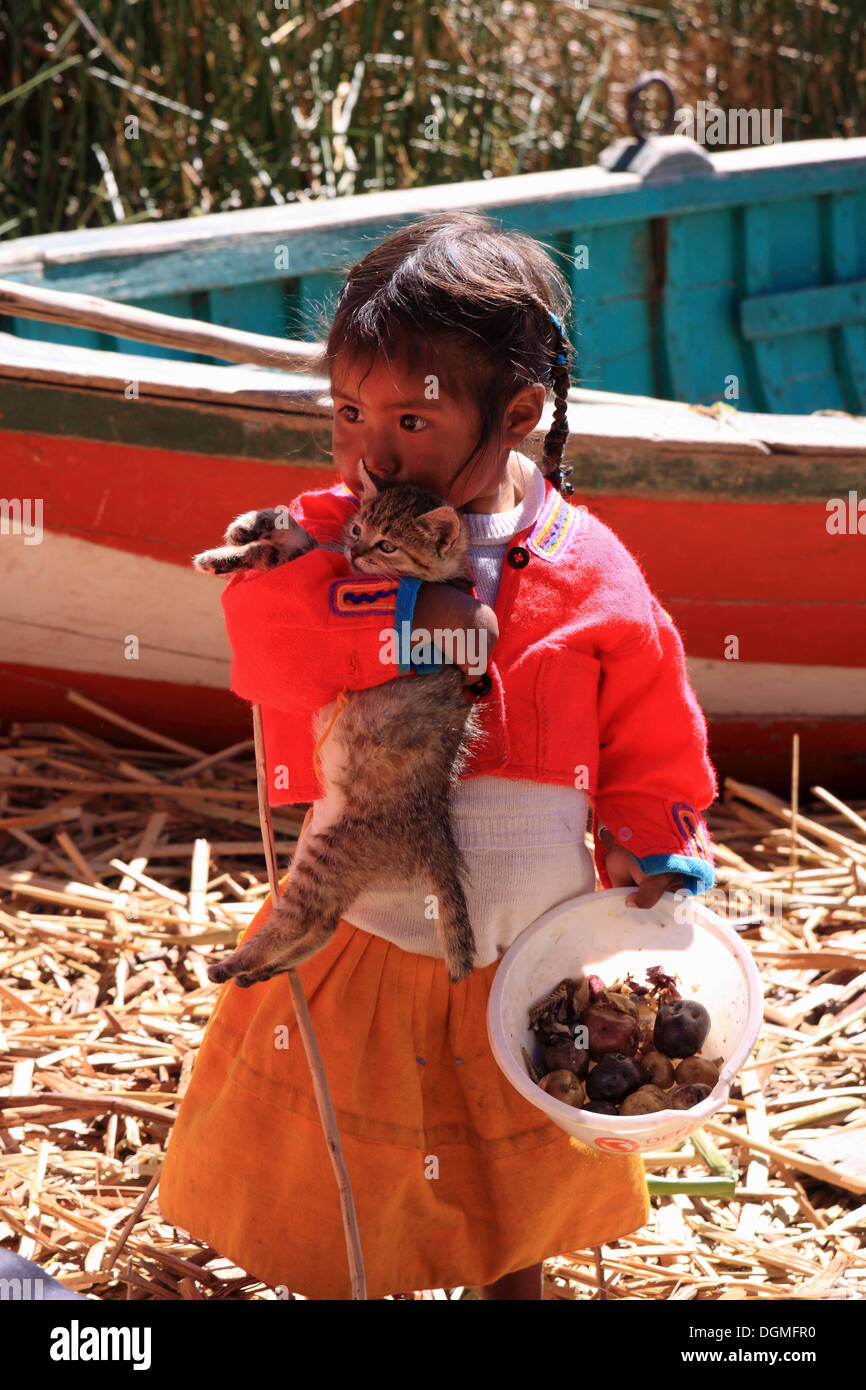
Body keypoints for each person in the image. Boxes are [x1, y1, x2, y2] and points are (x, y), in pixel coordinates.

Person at [158, 211, 717, 1301]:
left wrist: (654, 841)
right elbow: (264, 644)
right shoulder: (324, 533)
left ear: (515, 415)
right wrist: (410, 618)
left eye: (411, 418)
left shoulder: (586, 566)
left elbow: (647, 715)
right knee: (352, 1167)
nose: (371, 450)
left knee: (510, 1166)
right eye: (348, 411)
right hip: (368, 926)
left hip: (527, 932)